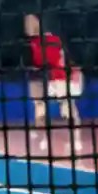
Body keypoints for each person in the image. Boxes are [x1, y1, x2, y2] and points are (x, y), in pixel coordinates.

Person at [24, 14, 83, 151]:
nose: (29, 26)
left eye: (32, 22)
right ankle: (45, 138)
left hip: (62, 79)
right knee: (41, 110)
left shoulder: (53, 40)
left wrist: (74, 74)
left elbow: (63, 59)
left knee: (69, 111)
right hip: (51, 80)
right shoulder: (33, 43)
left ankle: (76, 140)